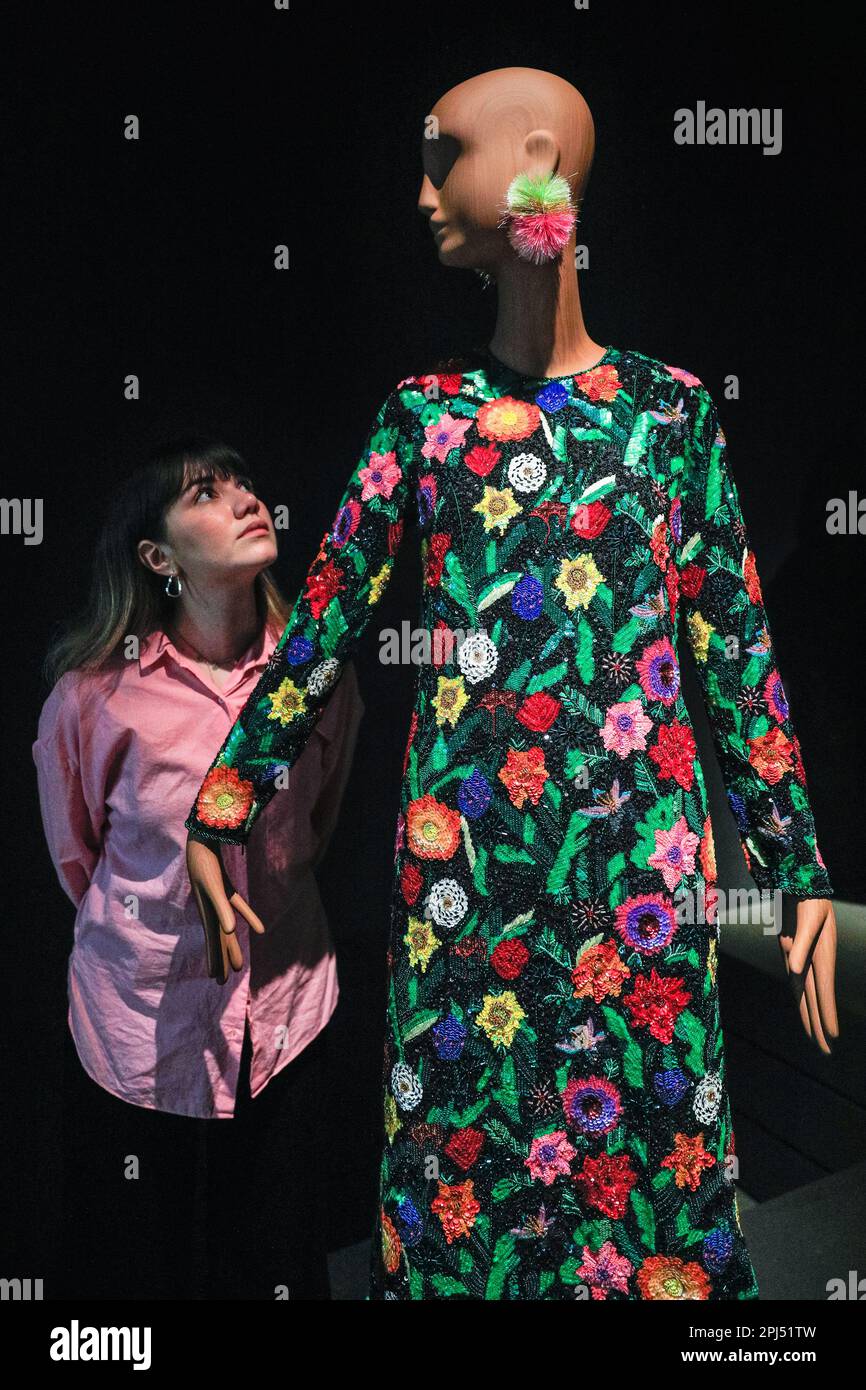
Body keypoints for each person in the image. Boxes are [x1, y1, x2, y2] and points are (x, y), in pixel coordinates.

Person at [182, 69, 838, 1301]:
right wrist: (223, 801)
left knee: (652, 1185)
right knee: (462, 1184)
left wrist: (791, 861)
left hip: (636, 887)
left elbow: (734, 654)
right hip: (464, 890)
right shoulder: (422, 420)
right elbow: (320, 630)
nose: (421, 190)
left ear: (535, 159)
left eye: (444, 157)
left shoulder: (669, 418)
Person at [32, 435, 364, 1299]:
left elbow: (317, 828)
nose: (244, 499)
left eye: (243, 482)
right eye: (205, 494)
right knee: (141, 1265)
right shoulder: (96, 695)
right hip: (142, 1032)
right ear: (159, 556)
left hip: (287, 1017)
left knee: (279, 1257)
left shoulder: (319, 678)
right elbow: (78, 857)